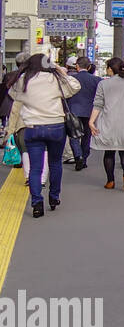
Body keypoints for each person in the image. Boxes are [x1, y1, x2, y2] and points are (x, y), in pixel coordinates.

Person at [6, 54, 79, 217]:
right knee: (55, 163)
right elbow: (75, 87)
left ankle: (37, 203)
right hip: (56, 126)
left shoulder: (24, 80)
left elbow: (13, 94)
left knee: (35, 168)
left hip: (32, 127)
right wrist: (59, 69)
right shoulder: (55, 79)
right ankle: (54, 197)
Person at [90, 56, 124, 191]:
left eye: (107, 68)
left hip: (108, 123)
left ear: (110, 69)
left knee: (109, 153)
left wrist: (91, 121)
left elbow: (98, 104)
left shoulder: (103, 84)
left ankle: (110, 181)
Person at [65, 56, 101, 170]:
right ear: (89, 66)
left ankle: (78, 156)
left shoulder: (70, 79)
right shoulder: (97, 80)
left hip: (73, 110)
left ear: (77, 66)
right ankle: (84, 159)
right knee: (87, 136)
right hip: (90, 111)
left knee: (73, 136)